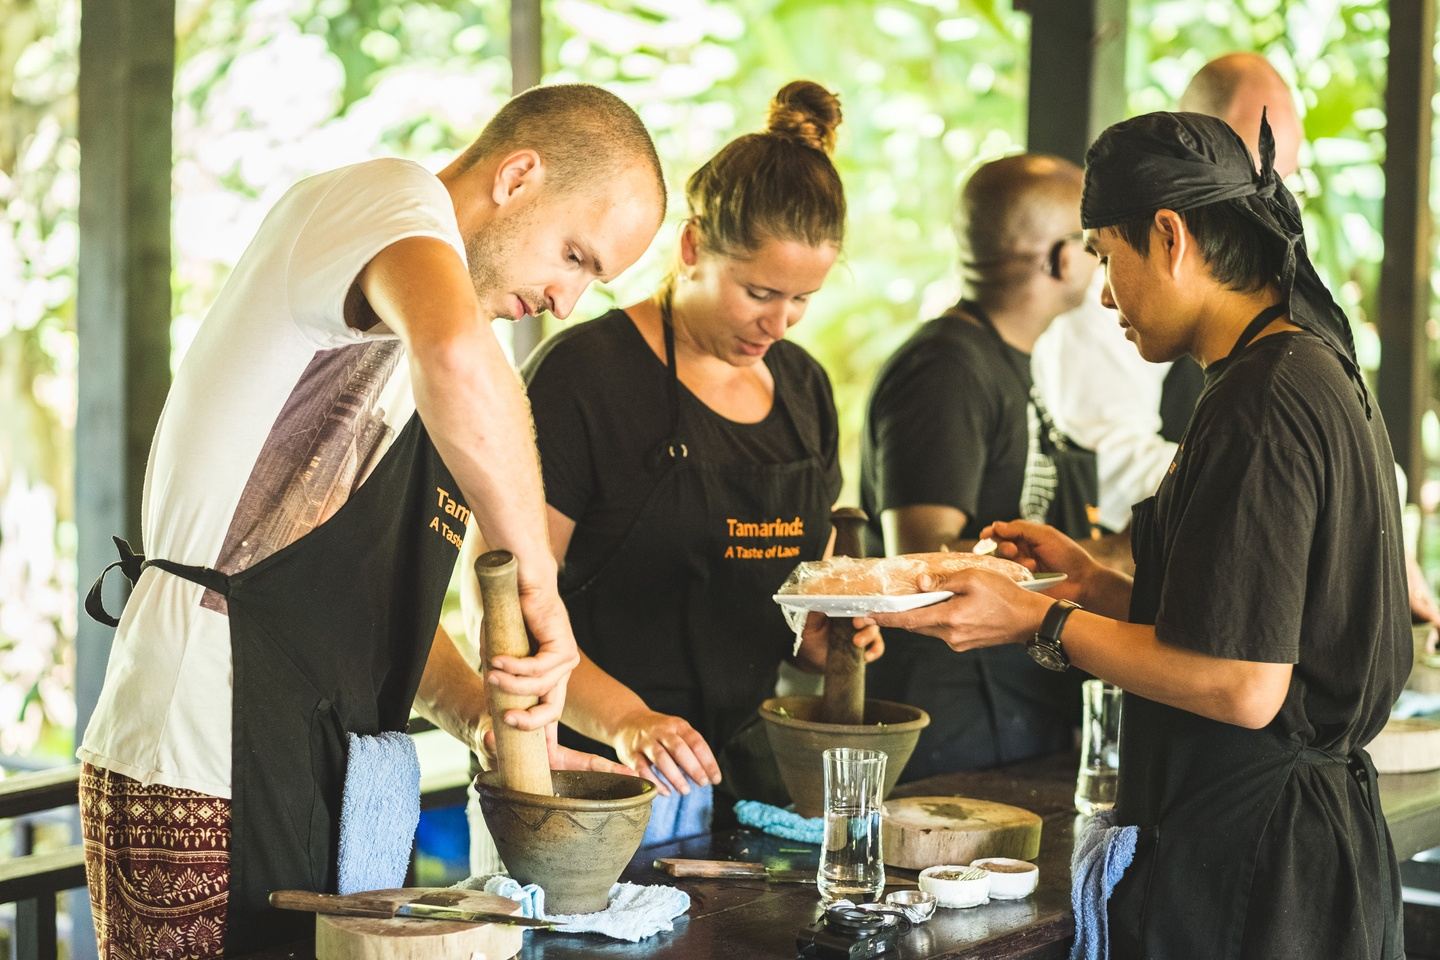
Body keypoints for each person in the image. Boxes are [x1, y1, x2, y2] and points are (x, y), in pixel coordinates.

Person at [77, 84, 666, 957]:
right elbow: (460, 356)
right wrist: (540, 583)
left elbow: (353, 598)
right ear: (518, 176)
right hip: (204, 749)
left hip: (324, 767)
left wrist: (483, 724)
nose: (567, 300)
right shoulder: (380, 201)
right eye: (575, 256)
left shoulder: (418, 354)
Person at [873, 111, 1409, 959]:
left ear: (1169, 237)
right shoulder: (1304, 368)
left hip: (1258, 880)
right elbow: (1249, 625)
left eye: (1104, 256)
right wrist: (1091, 585)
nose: (1106, 293)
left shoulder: (1262, 400)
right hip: (1287, 853)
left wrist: (1038, 621)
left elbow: (1242, 685)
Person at [464, 80, 879, 845]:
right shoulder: (587, 377)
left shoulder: (804, 389)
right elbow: (514, 607)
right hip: (583, 777)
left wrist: (816, 628)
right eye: (758, 292)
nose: (777, 324)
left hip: (741, 774)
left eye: (802, 301)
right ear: (692, 248)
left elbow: (802, 570)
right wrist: (625, 721)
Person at [859, 154, 1099, 780]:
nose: (1103, 260)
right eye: (1094, 243)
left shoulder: (1008, 361)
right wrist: (1104, 557)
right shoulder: (947, 369)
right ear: (1061, 258)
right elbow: (920, 553)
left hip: (1015, 709)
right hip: (951, 722)